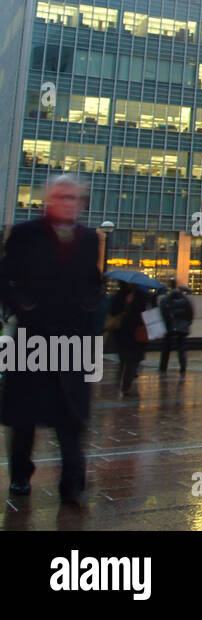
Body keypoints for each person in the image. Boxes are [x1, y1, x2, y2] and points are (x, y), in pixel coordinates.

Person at [0, 174, 102, 505]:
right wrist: (23, 305)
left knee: (72, 416)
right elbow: (5, 277)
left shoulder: (89, 238)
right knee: (23, 417)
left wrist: (89, 310)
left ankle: (73, 482)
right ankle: (20, 476)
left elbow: (93, 281)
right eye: (61, 196)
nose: (68, 203)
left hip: (74, 339)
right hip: (31, 337)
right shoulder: (26, 233)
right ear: (49, 200)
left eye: (74, 198)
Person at [111, 283, 153, 395]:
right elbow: (113, 312)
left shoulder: (142, 297)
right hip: (125, 333)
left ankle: (125, 386)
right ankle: (123, 385)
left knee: (131, 361)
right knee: (128, 360)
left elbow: (149, 313)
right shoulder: (120, 296)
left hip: (135, 333)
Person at [158, 282, 193, 374]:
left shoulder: (166, 299)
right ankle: (183, 367)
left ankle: (163, 367)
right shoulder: (185, 300)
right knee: (181, 349)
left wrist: (166, 324)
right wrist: (187, 324)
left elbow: (162, 312)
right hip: (182, 329)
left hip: (170, 328)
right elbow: (190, 314)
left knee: (166, 349)